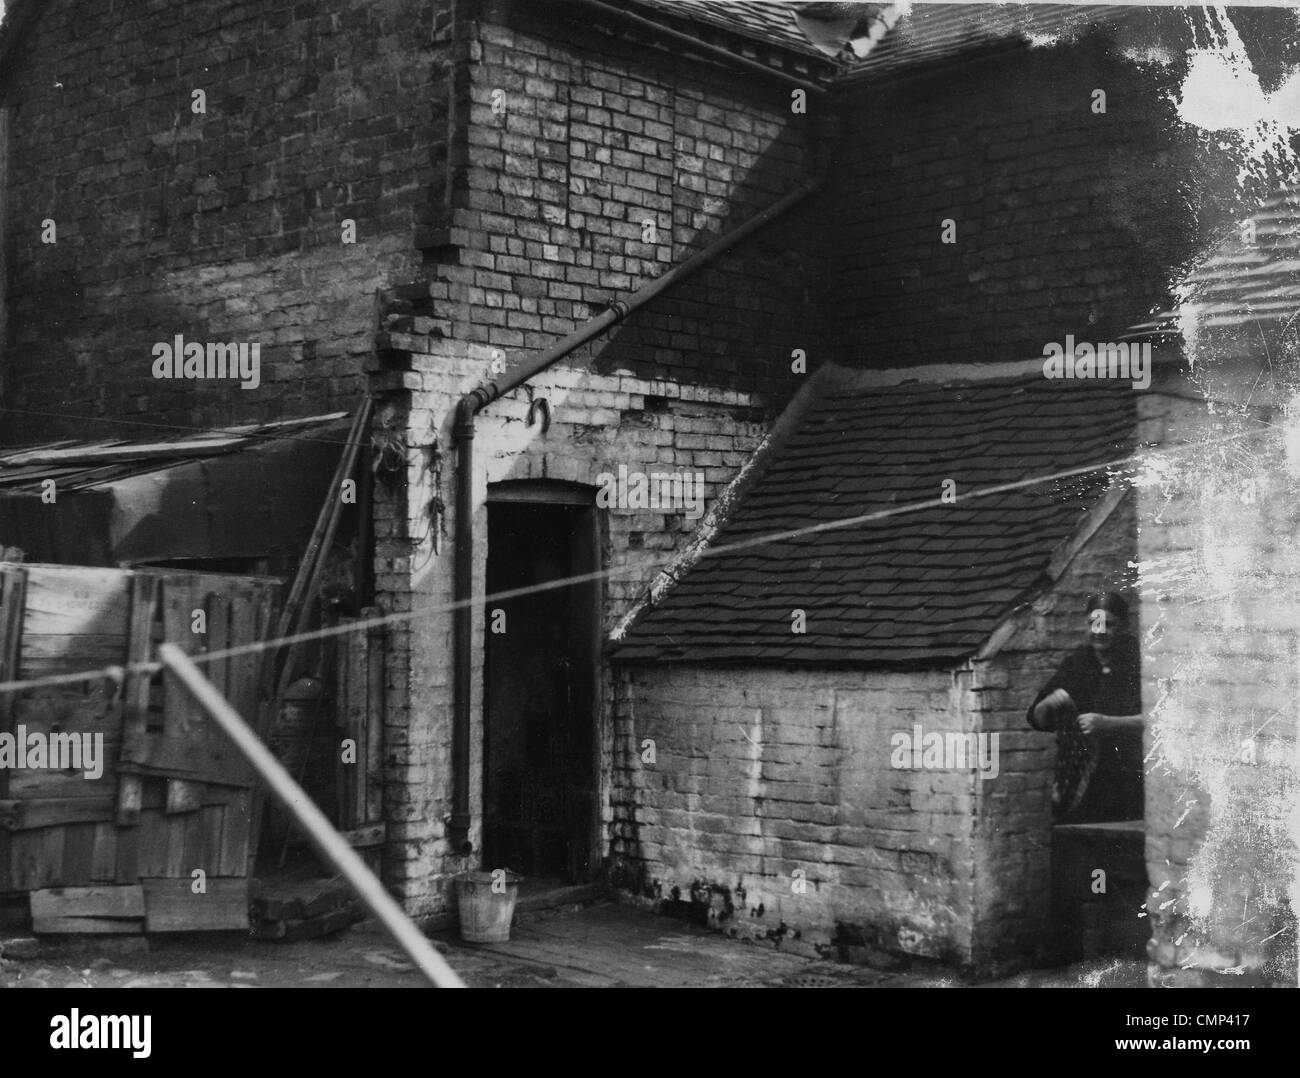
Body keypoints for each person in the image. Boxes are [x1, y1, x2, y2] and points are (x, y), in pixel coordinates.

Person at [1027, 592, 1144, 822]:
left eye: (1108, 624)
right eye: (1093, 623)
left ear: (1124, 626)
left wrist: (1109, 724)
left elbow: (1160, 719)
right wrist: (1049, 702)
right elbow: (1036, 719)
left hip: (1128, 778)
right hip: (1080, 781)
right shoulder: (1077, 663)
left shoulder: (1138, 663)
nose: (1099, 631)